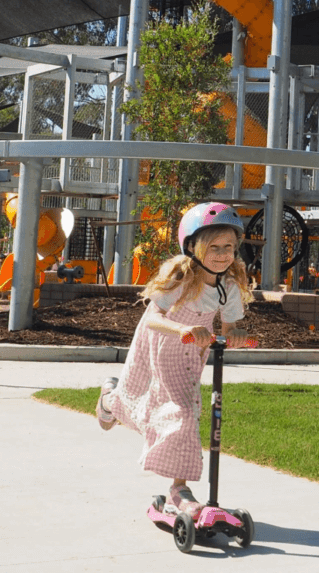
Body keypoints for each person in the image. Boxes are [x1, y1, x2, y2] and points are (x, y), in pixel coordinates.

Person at [95, 202, 252, 514]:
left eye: (229, 247)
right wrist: (181, 329)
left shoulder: (229, 285)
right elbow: (153, 318)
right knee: (162, 405)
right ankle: (112, 402)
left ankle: (177, 487)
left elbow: (232, 325)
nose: (222, 254)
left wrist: (236, 334)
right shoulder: (182, 276)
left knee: (183, 414)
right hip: (160, 342)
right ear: (193, 246)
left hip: (191, 353)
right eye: (213, 247)